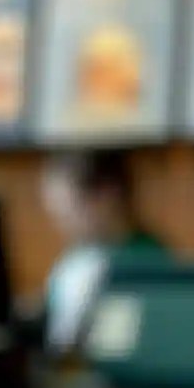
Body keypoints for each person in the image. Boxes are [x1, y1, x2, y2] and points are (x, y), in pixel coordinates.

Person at [41, 149, 168, 353]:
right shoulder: (72, 260)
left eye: (69, 211)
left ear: (108, 195)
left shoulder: (150, 262)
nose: (62, 225)